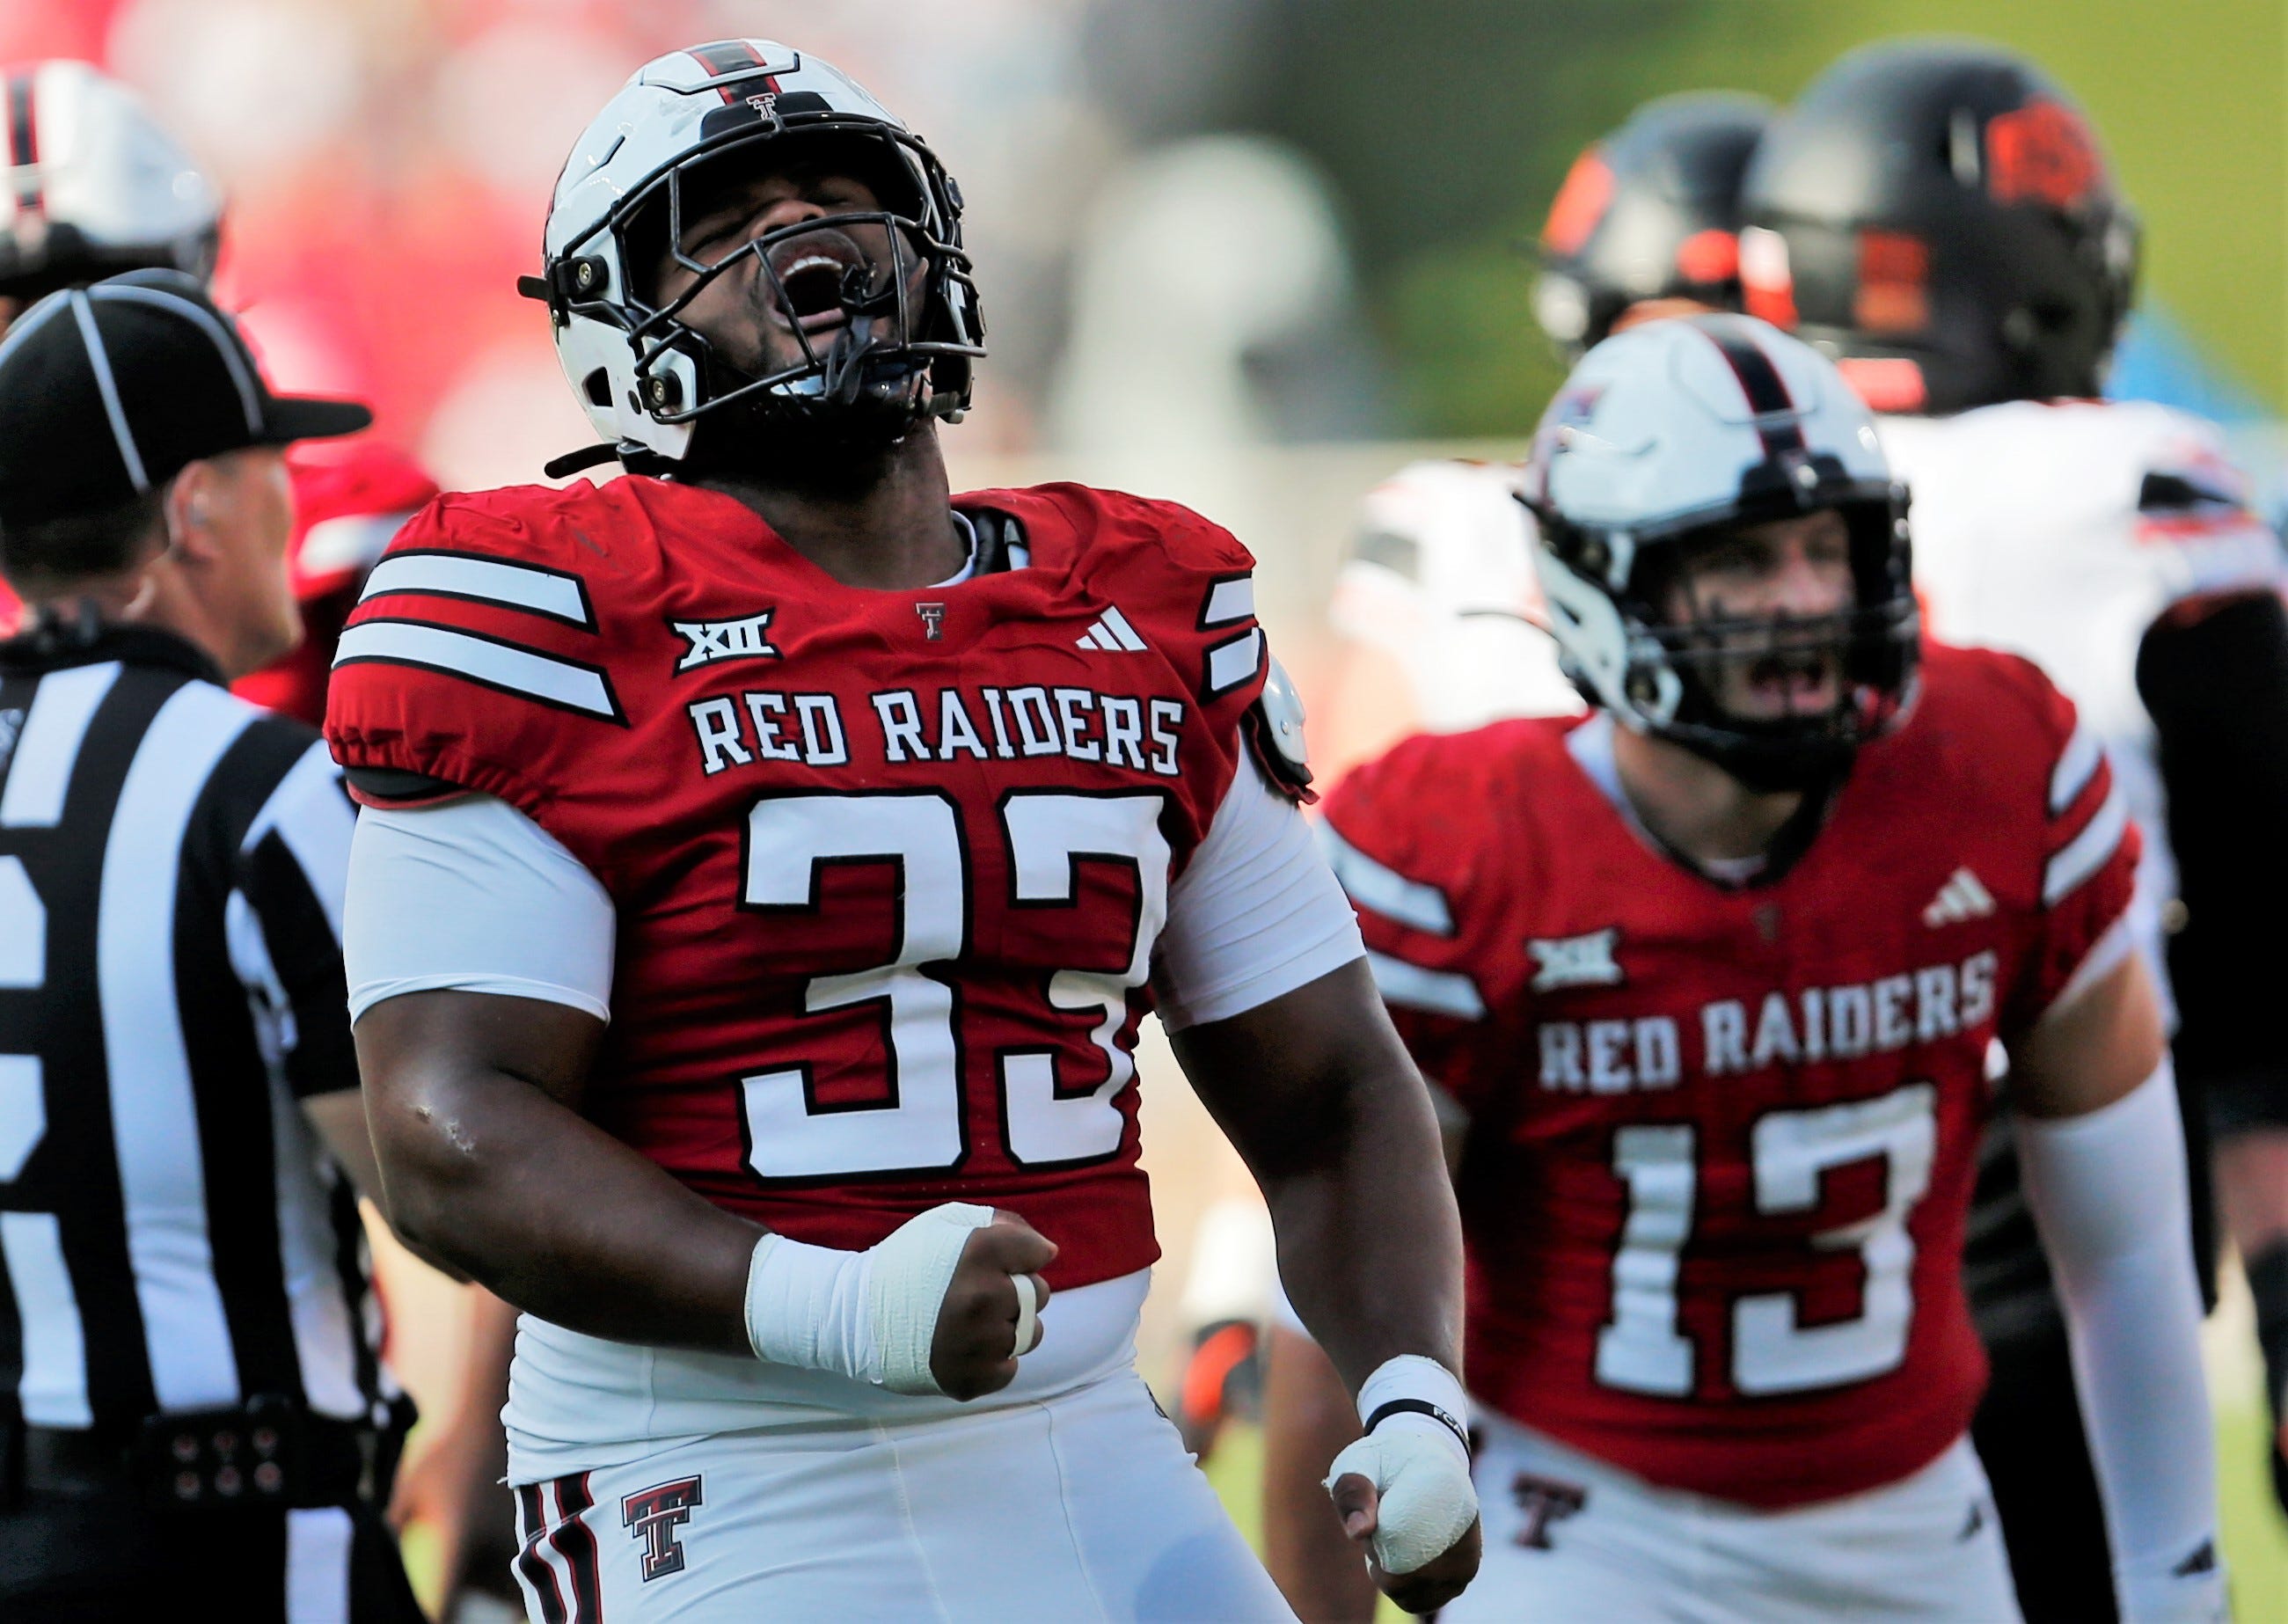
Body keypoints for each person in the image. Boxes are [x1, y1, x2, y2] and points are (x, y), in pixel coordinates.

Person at [323, 39, 1480, 1621]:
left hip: (1082, 1441)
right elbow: (450, 1128)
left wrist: (1410, 1387)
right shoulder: (550, 613)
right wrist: (835, 1303)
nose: (804, 232)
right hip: (717, 1469)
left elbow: (1335, 1081)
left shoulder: (1132, 606)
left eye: (845, 194)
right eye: (722, 217)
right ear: (620, 318)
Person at [1261, 314, 2226, 1623]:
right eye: (1738, 560)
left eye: (1825, 547)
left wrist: (2177, 1574)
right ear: (1603, 582)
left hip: (1915, 1524)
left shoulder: (1995, 768)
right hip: (1580, 1529)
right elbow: (1336, 1297)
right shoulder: (1460, 851)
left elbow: (2122, 1244)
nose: (1802, 600)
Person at [1739, 40, 2288, 1616]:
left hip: (1744, 1124)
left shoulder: (1697, 498)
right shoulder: (2135, 486)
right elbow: (2261, 935)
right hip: (2043, 1147)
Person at [0, 269, 424, 1619]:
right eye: (270, 462)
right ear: (193, 508)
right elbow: (441, 1183)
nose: (293, 494)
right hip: (235, 1541)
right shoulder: (259, 788)